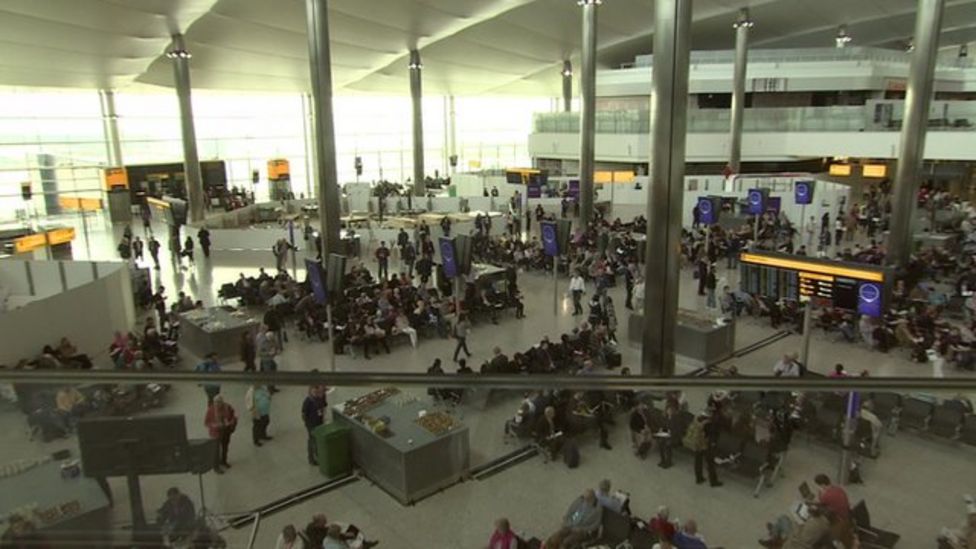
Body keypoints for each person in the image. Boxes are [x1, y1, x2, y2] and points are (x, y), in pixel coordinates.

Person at [204, 395, 236, 473]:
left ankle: (224, 461)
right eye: (216, 402)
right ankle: (216, 467)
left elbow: (234, 416)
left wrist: (231, 422)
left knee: (225, 447)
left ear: (222, 402)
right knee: (216, 450)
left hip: (226, 431)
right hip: (216, 433)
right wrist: (214, 426)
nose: (217, 404)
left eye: (219, 402)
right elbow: (206, 423)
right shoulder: (211, 410)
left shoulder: (228, 407)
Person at [302, 385, 327, 465]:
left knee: (317, 439)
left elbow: (323, 407)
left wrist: (323, 418)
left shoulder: (321, 397)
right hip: (311, 424)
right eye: (315, 390)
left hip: (319, 422)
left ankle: (319, 455)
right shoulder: (308, 401)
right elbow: (304, 414)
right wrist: (308, 423)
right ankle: (311, 458)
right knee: (312, 440)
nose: (317, 392)